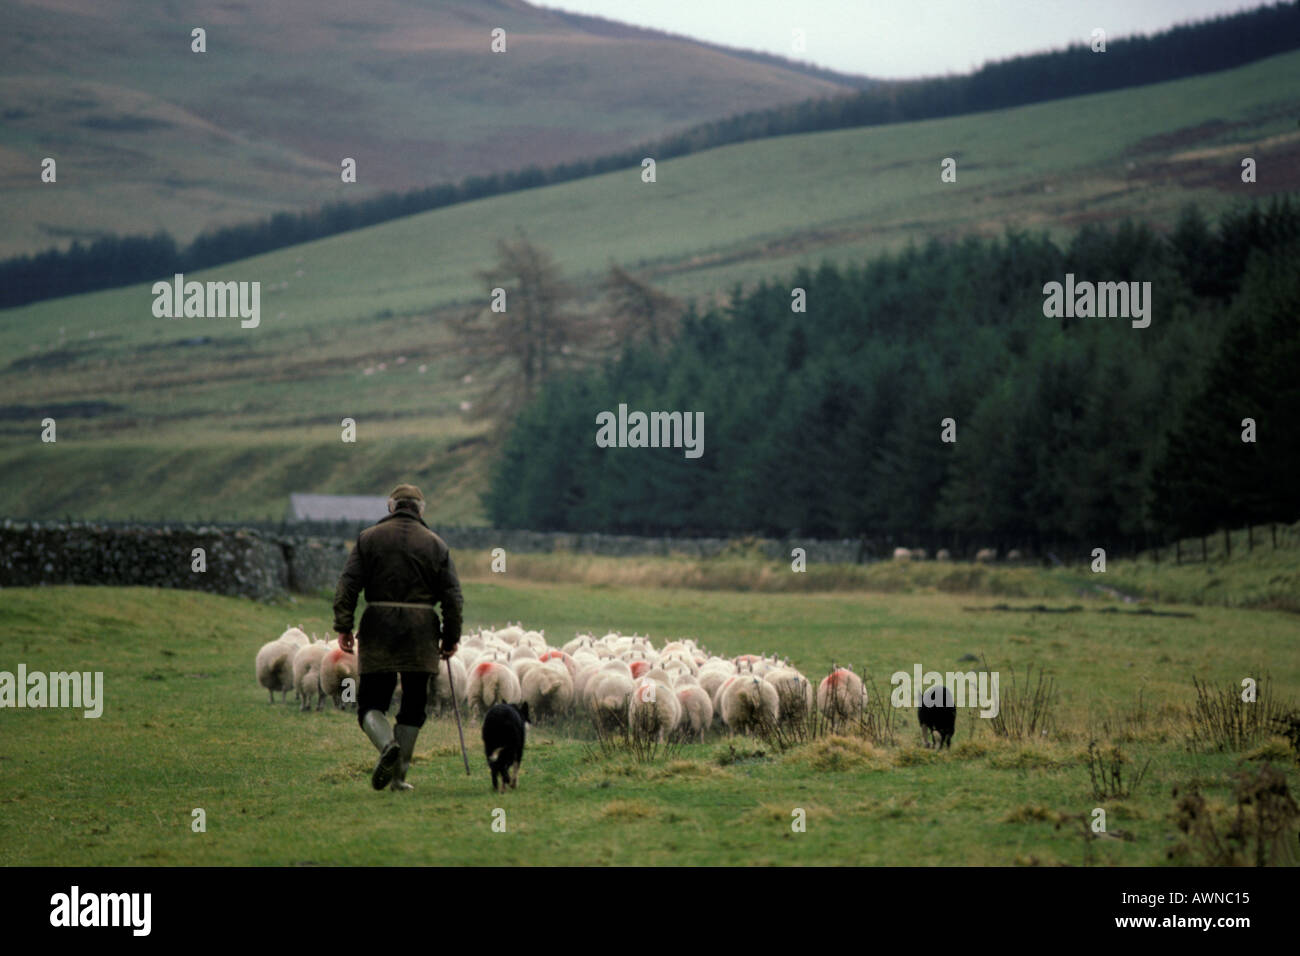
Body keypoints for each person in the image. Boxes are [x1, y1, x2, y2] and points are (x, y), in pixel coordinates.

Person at [333, 483, 463, 791]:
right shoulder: (436, 544)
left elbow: (347, 584)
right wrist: (450, 637)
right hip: (421, 631)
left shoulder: (368, 539)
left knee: (370, 702)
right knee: (415, 704)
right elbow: (452, 597)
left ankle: (386, 744)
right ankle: (399, 778)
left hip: (379, 626)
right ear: (420, 509)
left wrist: (344, 626)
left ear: (391, 507)